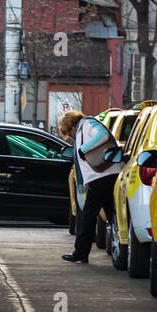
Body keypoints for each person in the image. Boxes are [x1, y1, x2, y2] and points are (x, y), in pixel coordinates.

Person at [59, 109, 123, 263]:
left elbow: (103, 135)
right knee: (112, 216)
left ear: (71, 125)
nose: (71, 136)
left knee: (87, 216)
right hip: (104, 175)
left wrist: (83, 149)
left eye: (69, 132)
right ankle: (122, 252)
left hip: (101, 177)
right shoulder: (84, 127)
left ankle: (80, 253)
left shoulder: (87, 123)